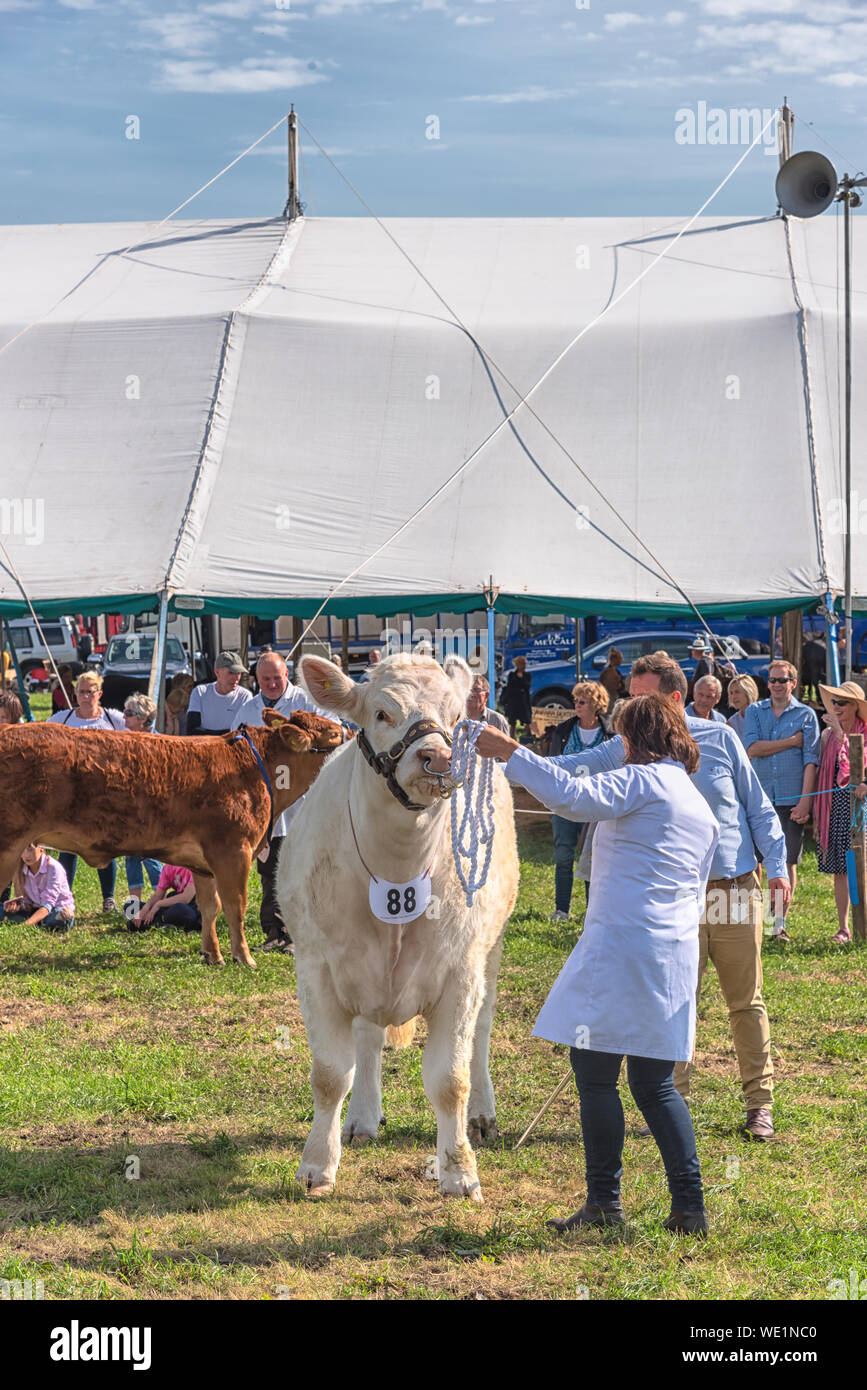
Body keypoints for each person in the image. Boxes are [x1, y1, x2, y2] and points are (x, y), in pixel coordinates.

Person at [476, 695, 719, 1236]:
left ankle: (604, 1203)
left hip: (623, 948)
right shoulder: (695, 801)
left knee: (595, 1075)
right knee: (656, 1084)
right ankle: (690, 1207)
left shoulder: (645, 781)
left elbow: (573, 797)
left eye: (624, 737)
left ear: (637, 739)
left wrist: (510, 751)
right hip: (673, 951)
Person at [548, 654, 790, 1142]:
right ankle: (671, 1103)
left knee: (746, 1001)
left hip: (733, 888)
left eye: (642, 700)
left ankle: (759, 1105)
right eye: (630, 700)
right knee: (676, 1002)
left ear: (674, 700)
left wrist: (779, 868)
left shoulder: (721, 739)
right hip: (673, 900)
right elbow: (573, 767)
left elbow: (759, 807)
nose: (631, 710)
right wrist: (502, 761)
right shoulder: (628, 747)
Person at [230, 650, 326, 954]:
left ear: (287, 675)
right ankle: (274, 931)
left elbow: (333, 734)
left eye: (277, 677)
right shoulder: (248, 709)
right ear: (256, 680)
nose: (272, 684)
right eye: (266, 679)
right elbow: (233, 750)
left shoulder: (306, 703)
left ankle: (300, 932)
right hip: (265, 807)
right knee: (269, 869)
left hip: (304, 803)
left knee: (301, 868)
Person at [742, 660, 820, 941]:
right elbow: (752, 749)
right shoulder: (754, 711)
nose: (776, 685)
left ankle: (779, 925)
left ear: (793, 683)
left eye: (782, 680)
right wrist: (791, 741)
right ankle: (754, 921)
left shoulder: (807, 715)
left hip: (791, 797)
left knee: (787, 862)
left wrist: (806, 801)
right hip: (758, 797)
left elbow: (810, 761)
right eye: (772, 680)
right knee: (754, 861)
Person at [47, 671, 125, 913]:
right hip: (71, 796)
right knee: (68, 847)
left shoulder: (115, 720)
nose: (85, 696)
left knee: (104, 847)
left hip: (105, 795)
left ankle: (109, 899)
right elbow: (40, 739)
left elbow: (141, 736)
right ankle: (63, 898)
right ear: (75, 693)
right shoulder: (62, 719)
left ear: (99, 694)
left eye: (90, 691)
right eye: (81, 691)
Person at [546, 682, 613, 921]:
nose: (577, 705)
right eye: (575, 701)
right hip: (565, 803)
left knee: (591, 861)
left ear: (596, 705)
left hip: (595, 806)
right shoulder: (563, 731)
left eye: (582, 701)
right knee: (563, 856)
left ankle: (590, 912)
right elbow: (552, 763)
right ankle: (561, 909)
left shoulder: (610, 734)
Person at [814, 682, 867, 944]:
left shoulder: (864, 733)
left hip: (861, 809)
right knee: (841, 870)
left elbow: (853, 769)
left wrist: (839, 736)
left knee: (862, 866)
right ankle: (844, 927)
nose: (836, 707)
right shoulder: (826, 736)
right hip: (836, 808)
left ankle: (862, 921)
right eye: (833, 702)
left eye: (842, 703)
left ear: (856, 706)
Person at [121, 693, 163, 911]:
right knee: (131, 856)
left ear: (143, 718)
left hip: (153, 808)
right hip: (131, 805)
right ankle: (133, 907)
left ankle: (160, 901)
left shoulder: (159, 742)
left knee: (151, 853)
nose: (124, 717)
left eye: (129, 713)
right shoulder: (125, 742)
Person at [0, 844, 75, 932]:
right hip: (36, 908)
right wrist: (19, 906)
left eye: (30, 850)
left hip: (55, 909)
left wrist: (24, 926)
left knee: (60, 917)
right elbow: (29, 902)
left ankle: (34, 922)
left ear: (42, 849)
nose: (26, 855)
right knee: (2, 910)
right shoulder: (22, 867)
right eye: (22, 851)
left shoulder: (53, 867)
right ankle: (38, 923)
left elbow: (47, 905)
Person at [186, 651, 254, 735]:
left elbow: (245, 732)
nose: (236, 678)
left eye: (239, 673)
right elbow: (192, 730)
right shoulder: (199, 692)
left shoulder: (245, 696)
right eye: (231, 673)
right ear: (217, 672)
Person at [128, 863, 200, 932]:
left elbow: (186, 898)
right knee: (130, 905)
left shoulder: (194, 865)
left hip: (196, 904)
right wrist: (146, 907)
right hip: (174, 901)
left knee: (183, 911)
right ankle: (159, 922)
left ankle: (156, 923)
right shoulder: (167, 867)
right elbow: (158, 895)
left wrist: (158, 904)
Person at [500, 655, 532, 739]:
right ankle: (512, 738)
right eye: (521, 664)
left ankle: (529, 739)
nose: (523, 666)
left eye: (524, 664)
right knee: (512, 722)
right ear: (517, 665)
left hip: (523, 702)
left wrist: (521, 682)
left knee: (527, 721)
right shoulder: (512, 675)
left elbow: (526, 687)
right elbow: (511, 688)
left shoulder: (527, 675)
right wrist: (520, 689)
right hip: (513, 702)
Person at [727, 675, 760, 746]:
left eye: (737, 692)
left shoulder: (765, 714)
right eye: (731, 693)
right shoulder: (731, 723)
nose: (733, 697)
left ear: (748, 692)